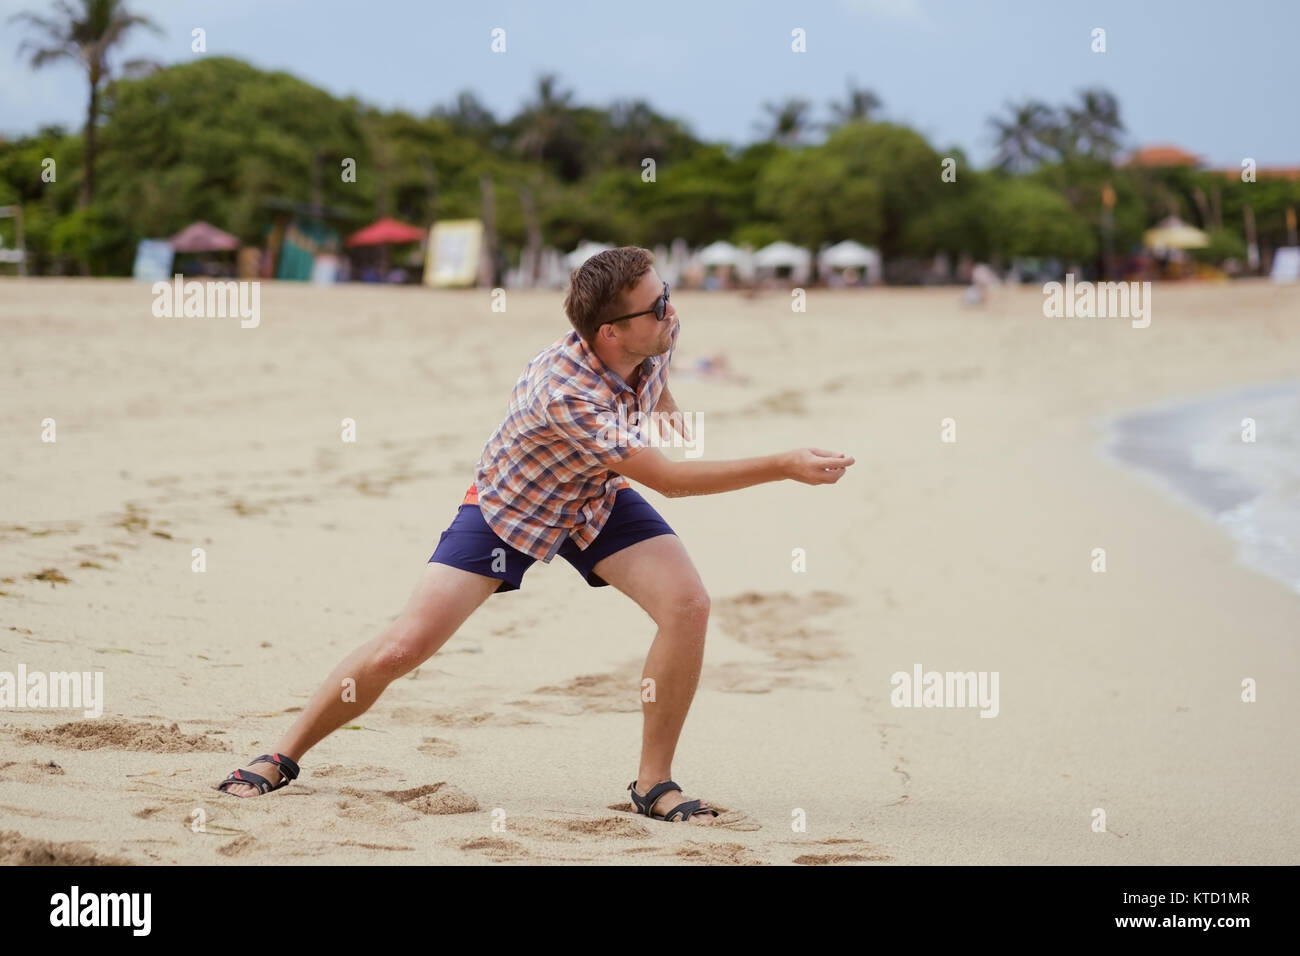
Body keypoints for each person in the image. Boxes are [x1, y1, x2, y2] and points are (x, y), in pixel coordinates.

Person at [214, 246, 855, 823]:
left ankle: (652, 784)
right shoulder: (567, 393)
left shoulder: (657, 330)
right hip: (512, 506)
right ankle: (281, 754)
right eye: (657, 304)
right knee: (400, 650)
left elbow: (656, 385)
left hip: (595, 497)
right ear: (611, 331)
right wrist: (784, 465)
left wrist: (665, 409)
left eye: (667, 295)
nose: (672, 308)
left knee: (687, 606)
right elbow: (671, 482)